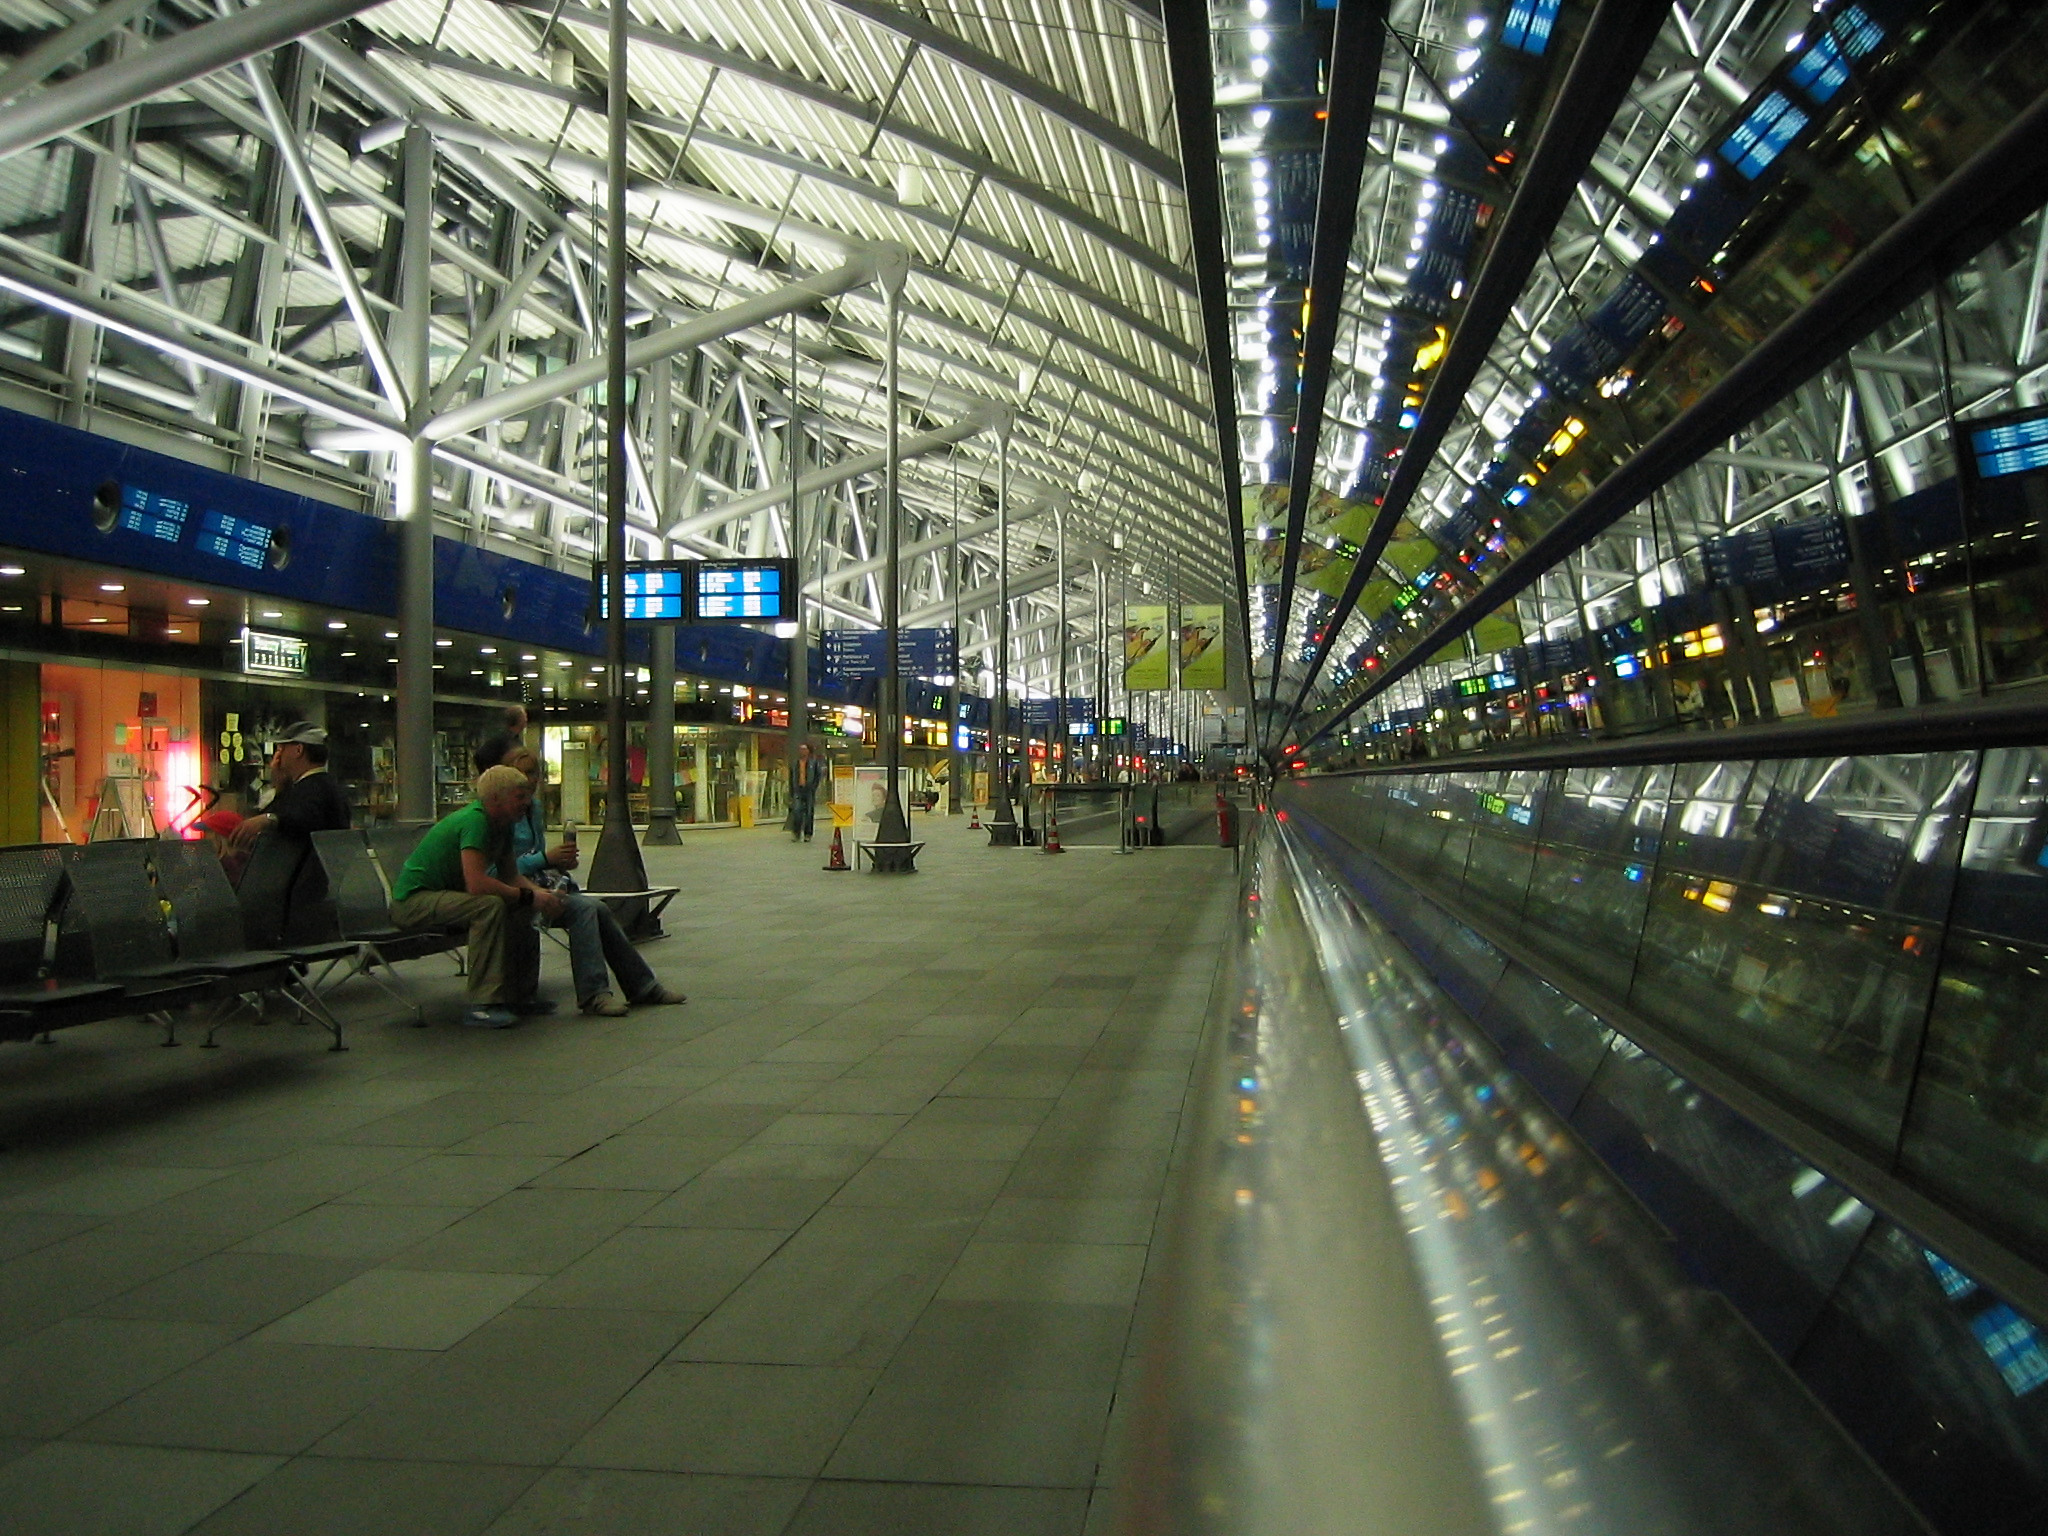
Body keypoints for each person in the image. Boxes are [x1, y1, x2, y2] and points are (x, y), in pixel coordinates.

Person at [498, 745, 685, 1017]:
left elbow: (532, 855)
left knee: (598, 909)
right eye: (523, 774)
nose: (530, 780)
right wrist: (543, 859)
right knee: (584, 910)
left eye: (534, 773)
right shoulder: (503, 812)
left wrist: (556, 862)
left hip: (536, 883)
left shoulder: (533, 810)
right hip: (514, 888)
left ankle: (641, 985)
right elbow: (501, 867)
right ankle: (595, 993)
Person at [387, 764, 564, 1029]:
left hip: (443, 896)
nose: (527, 803)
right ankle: (481, 1004)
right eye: (519, 797)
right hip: (412, 902)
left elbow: (510, 875)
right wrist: (527, 896)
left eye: (527, 796)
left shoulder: (502, 825)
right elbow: (477, 884)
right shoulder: (475, 821)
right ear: (495, 799)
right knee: (489, 906)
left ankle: (521, 995)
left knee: (520, 905)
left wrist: (540, 895)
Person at [472, 702, 530, 777]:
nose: (526, 719)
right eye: (524, 717)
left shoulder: (515, 740)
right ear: (519, 719)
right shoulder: (501, 740)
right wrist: (489, 776)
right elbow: (479, 756)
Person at [786, 742, 825, 841]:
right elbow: (791, 777)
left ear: (808, 751)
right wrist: (792, 790)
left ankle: (808, 834)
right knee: (797, 812)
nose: (802, 751)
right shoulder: (795, 763)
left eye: (804, 749)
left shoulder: (813, 762)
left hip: (809, 790)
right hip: (798, 790)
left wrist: (813, 787)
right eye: (800, 749)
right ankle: (796, 833)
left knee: (808, 813)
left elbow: (818, 776)